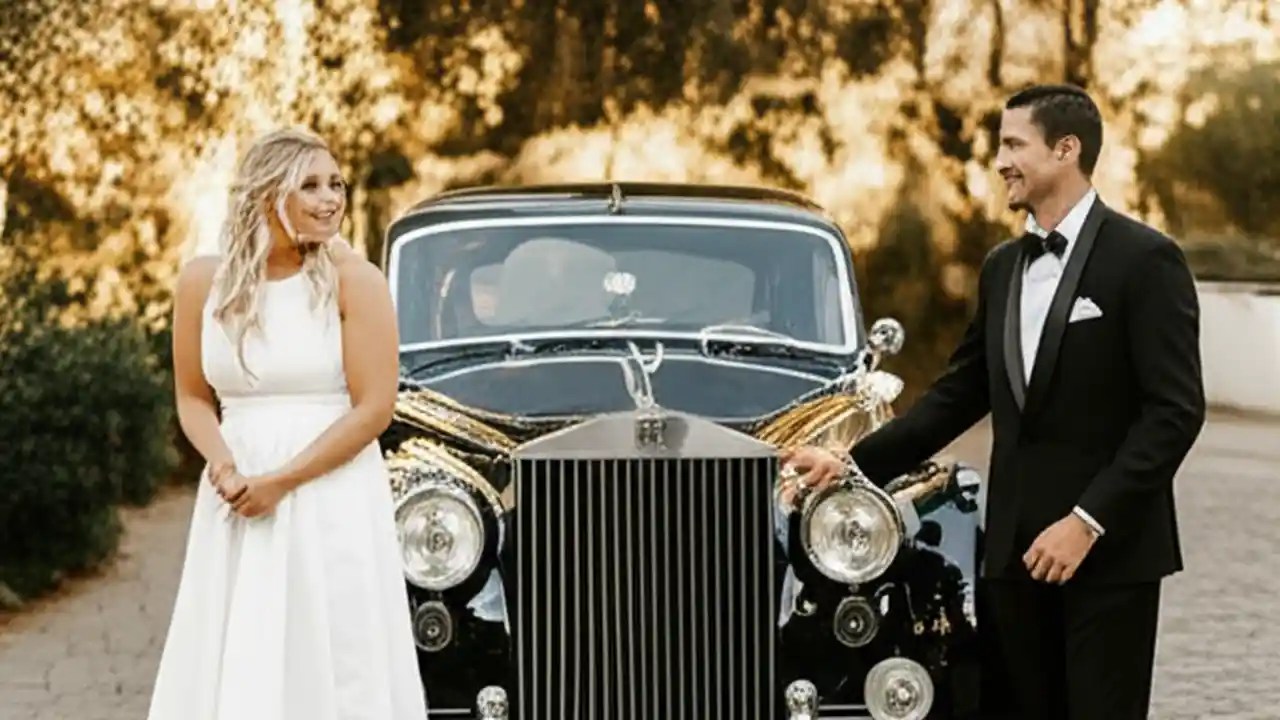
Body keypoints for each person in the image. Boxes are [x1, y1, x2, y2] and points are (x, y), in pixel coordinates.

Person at [781, 84, 1205, 719]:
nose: (1000, 160)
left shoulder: (1146, 260)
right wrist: (853, 464)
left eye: (1014, 144)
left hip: (1109, 556)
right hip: (1011, 554)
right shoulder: (1004, 266)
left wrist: (1087, 521)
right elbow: (958, 393)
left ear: (1067, 150)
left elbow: (1174, 412)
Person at [148, 128, 429, 720]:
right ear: (266, 193)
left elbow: (374, 407)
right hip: (237, 494)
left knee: (335, 655)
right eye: (311, 185)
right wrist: (224, 465)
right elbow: (193, 397)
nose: (331, 199)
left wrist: (281, 480)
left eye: (336, 184)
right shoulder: (203, 282)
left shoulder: (358, 283)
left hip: (332, 494)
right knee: (240, 651)